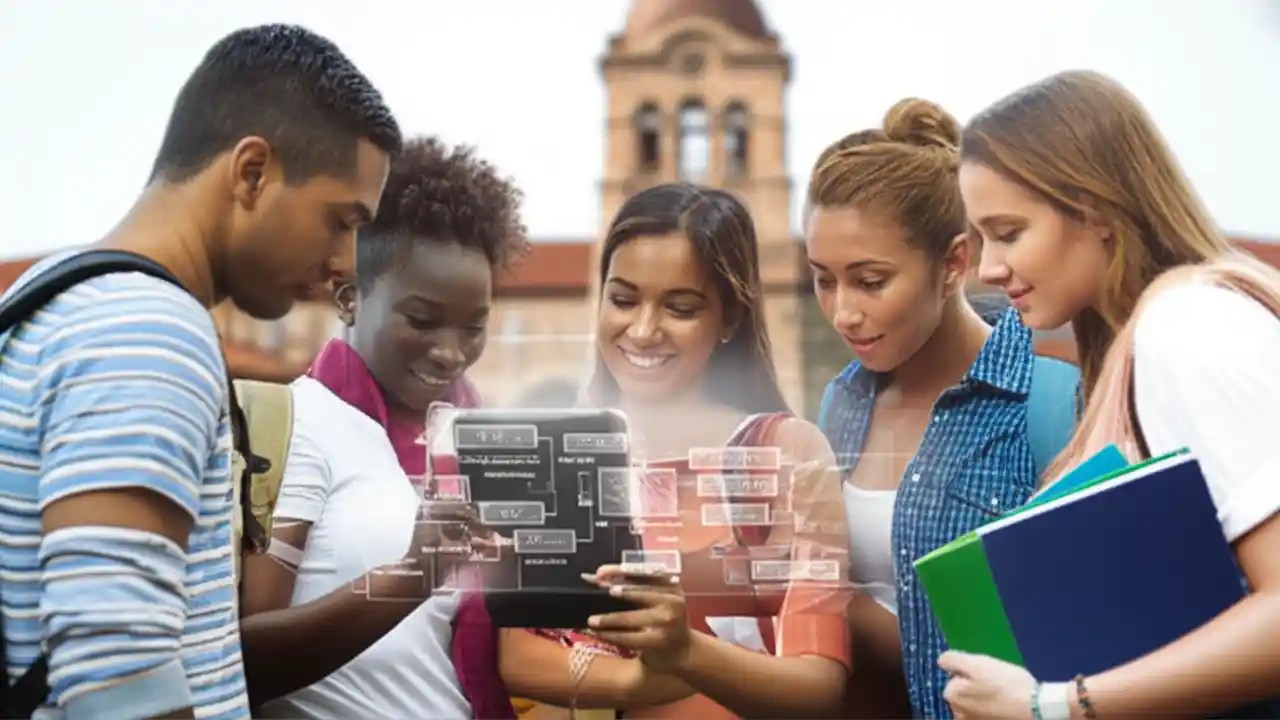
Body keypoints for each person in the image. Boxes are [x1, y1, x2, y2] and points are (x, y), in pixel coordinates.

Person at [0, 23, 399, 720]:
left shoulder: (49, 295)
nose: (344, 261)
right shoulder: (150, 329)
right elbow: (116, 671)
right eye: (341, 221)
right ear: (252, 172)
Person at [239, 137, 689, 719]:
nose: (451, 353)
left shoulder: (475, 447)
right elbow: (242, 659)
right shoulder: (305, 424)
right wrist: (410, 575)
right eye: (422, 321)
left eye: (474, 327)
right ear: (350, 299)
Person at [938, 70, 1280, 719]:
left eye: (1008, 232)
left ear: (1095, 211)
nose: (987, 267)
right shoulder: (1148, 337)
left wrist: (1055, 705)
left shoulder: (1190, 328)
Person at [522, 183, 852, 720]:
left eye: (680, 307)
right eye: (623, 299)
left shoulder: (786, 451)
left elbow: (818, 686)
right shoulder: (552, 450)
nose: (645, 330)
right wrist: (635, 682)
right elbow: (506, 655)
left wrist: (686, 652)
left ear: (729, 319)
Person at [803, 98, 1079, 719]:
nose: (843, 311)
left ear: (954, 261)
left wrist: (833, 601)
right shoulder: (839, 403)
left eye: (871, 281)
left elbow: (1075, 641)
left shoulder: (1049, 403)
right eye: (823, 278)